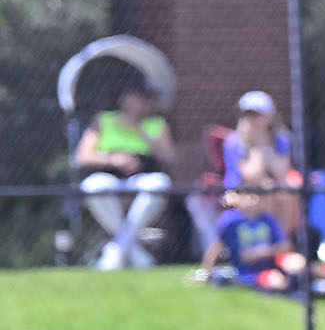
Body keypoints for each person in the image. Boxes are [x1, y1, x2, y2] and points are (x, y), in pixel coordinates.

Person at [74, 72, 176, 270]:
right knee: (94, 185)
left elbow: (168, 157)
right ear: (125, 97)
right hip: (110, 178)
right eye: (140, 96)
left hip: (141, 179)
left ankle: (116, 252)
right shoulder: (104, 120)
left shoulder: (156, 124)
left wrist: (139, 130)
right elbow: (83, 156)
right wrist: (113, 159)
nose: (144, 102)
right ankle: (136, 254)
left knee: (160, 183)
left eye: (149, 97)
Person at [195, 153, 307, 293]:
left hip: (271, 265)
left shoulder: (266, 219)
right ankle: (290, 289)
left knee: (298, 262)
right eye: (249, 195)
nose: (254, 199)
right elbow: (217, 247)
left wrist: (262, 252)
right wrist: (204, 273)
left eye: (258, 195)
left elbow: (285, 245)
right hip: (248, 273)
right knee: (276, 281)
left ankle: (306, 285)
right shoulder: (231, 221)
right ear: (239, 198)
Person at [221, 90, 303, 238]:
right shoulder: (234, 142)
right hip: (240, 192)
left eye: (256, 115)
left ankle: (281, 244)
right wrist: (256, 147)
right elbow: (249, 175)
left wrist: (263, 145)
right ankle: (267, 245)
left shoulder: (281, 140)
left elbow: (282, 173)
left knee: (285, 195)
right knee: (266, 194)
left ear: (269, 116)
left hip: (272, 189)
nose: (251, 119)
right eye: (247, 114)